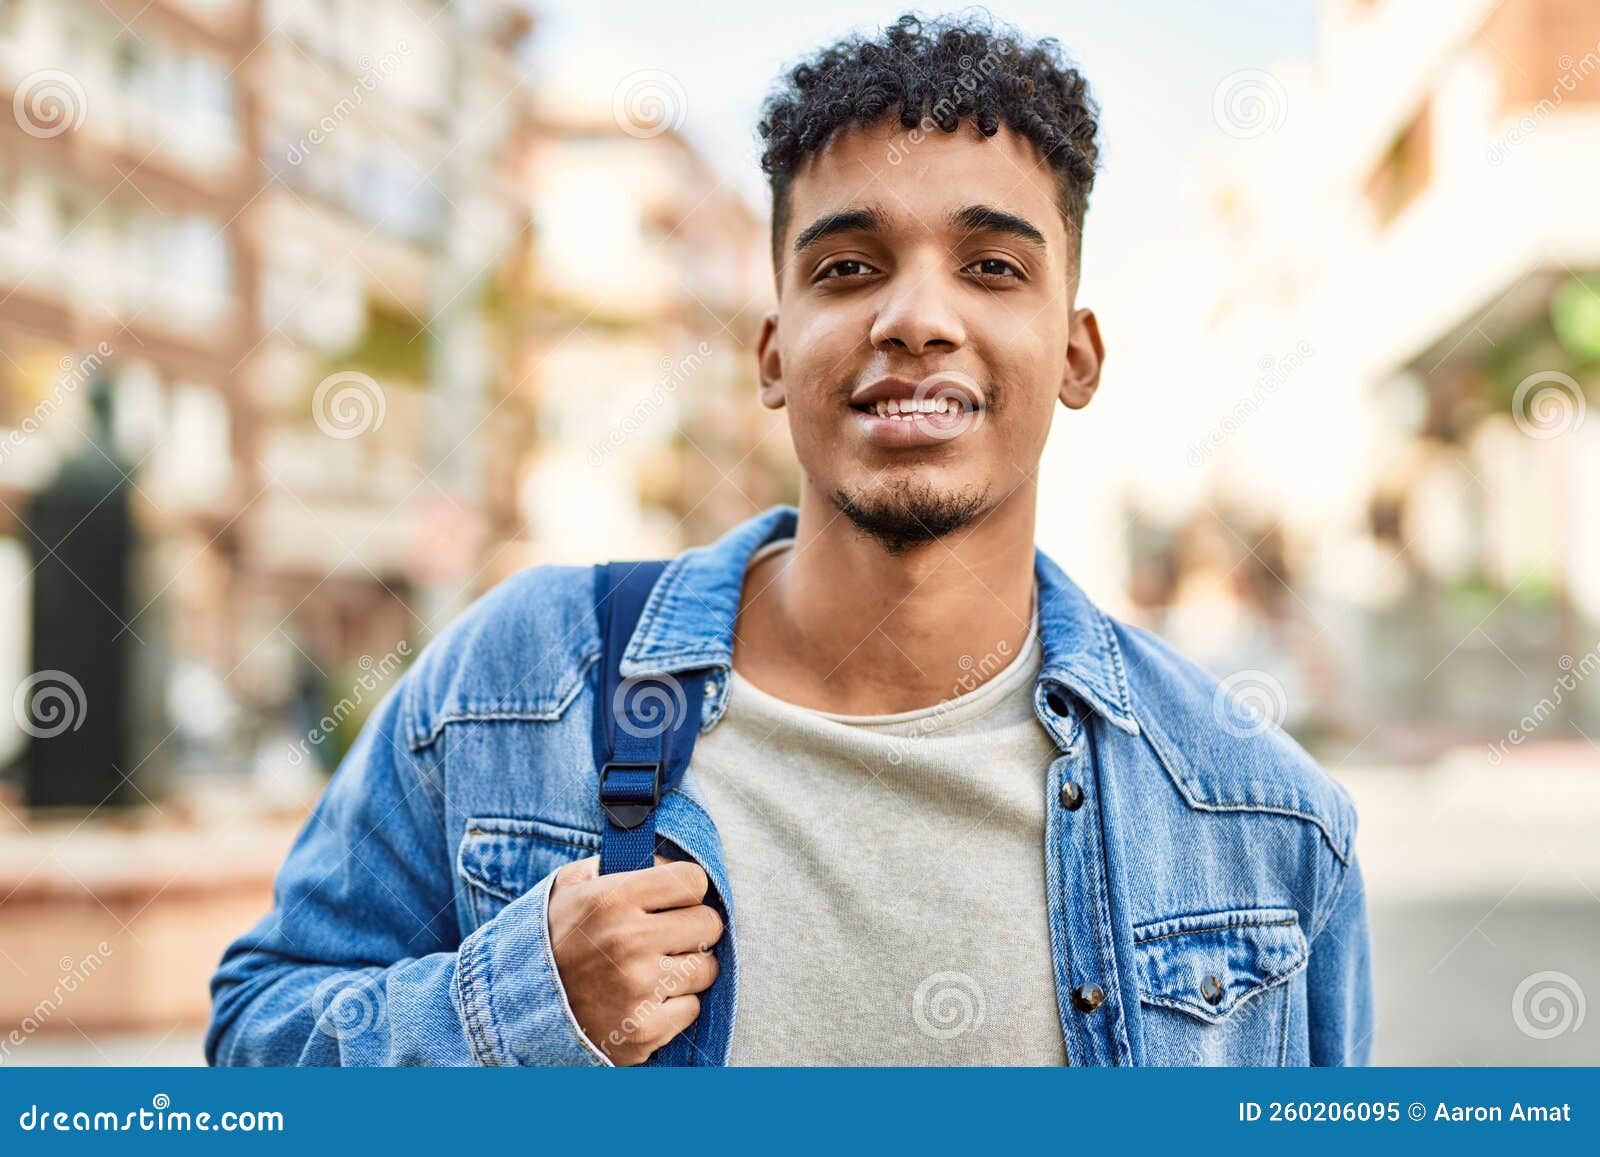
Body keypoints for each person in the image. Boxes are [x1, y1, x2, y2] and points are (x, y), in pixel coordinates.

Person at [207, 11, 1372, 1067]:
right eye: (848, 266)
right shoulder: (516, 682)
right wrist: (515, 1006)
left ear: (1075, 352)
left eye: (992, 267)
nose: (914, 317)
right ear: (773, 350)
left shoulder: (1264, 819)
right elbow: (253, 1046)